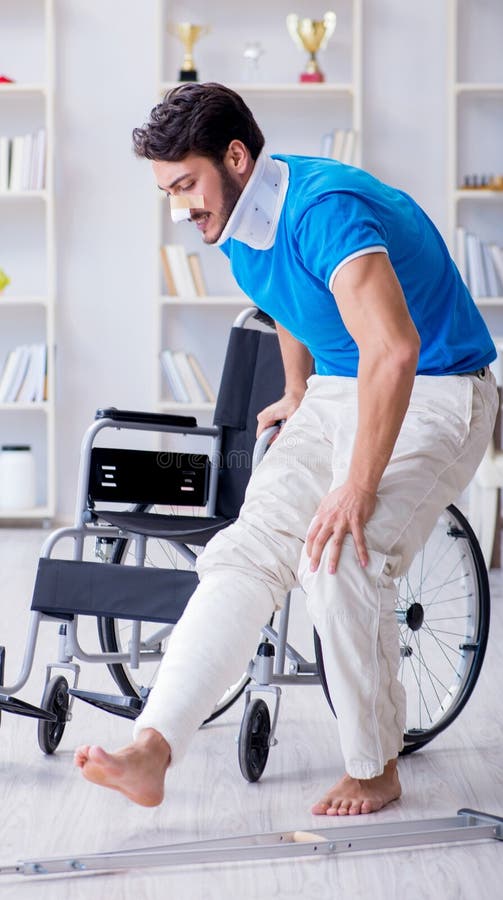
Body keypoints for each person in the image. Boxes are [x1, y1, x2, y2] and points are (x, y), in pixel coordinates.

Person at [75, 82, 498, 816]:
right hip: (338, 388)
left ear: (236, 158)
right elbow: (289, 302)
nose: (180, 207)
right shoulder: (239, 219)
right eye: (168, 191)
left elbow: (394, 349)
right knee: (241, 555)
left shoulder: (324, 208)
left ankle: (373, 767)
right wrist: (298, 387)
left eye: (186, 184)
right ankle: (153, 748)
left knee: (339, 556)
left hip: (435, 387)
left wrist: (354, 486)